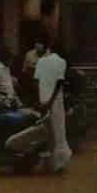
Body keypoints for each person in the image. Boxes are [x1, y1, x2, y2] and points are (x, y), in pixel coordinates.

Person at [32, 35, 73, 173]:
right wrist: (51, 101)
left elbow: (36, 82)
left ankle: (46, 163)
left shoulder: (40, 62)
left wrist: (41, 100)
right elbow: (59, 83)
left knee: (45, 132)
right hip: (55, 102)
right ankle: (58, 164)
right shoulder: (62, 62)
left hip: (42, 100)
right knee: (59, 130)